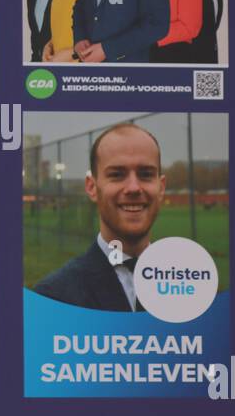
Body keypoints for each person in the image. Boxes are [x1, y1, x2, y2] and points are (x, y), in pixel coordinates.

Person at [33, 124, 165, 312]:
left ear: (161, 187)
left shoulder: (194, 291)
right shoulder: (54, 298)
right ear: (92, 187)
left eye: (146, 174)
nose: (134, 188)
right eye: (117, 175)